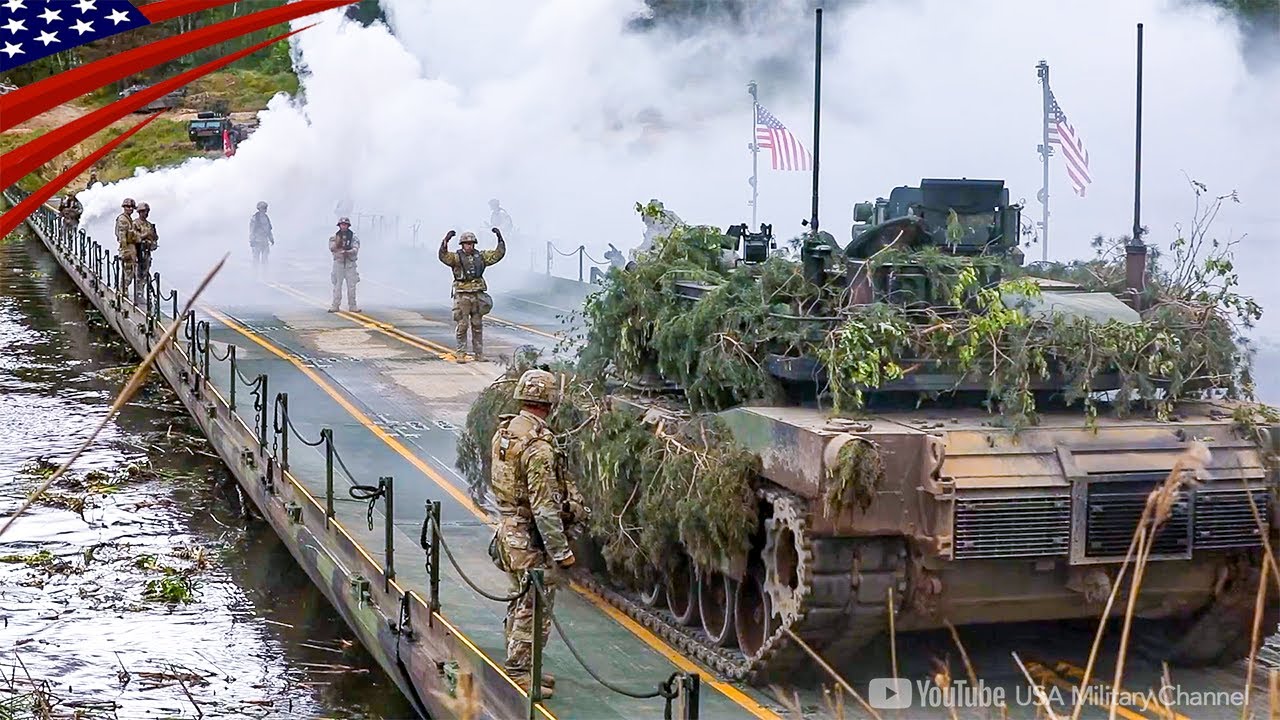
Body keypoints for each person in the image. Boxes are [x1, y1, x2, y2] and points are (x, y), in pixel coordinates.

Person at [489, 368, 588, 698]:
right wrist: (562, 552)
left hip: (508, 529)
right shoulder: (538, 447)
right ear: (548, 404)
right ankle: (519, 674)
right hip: (530, 537)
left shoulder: (506, 432)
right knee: (535, 605)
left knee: (519, 599)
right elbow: (544, 507)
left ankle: (524, 667)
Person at [438, 227, 505, 361]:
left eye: (471, 243)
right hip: (462, 294)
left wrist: (500, 240)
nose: (469, 246)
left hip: (477, 294)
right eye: (467, 243)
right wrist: (445, 242)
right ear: (462, 245)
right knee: (462, 325)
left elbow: (497, 255)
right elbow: (444, 257)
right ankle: (461, 353)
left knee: (477, 324)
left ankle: (478, 353)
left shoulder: (480, 256)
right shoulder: (456, 258)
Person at [328, 217, 361, 313]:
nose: (343, 226)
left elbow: (356, 249)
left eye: (345, 224)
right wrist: (338, 245)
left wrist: (348, 251)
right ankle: (335, 305)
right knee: (337, 285)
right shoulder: (334, 237)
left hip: (350, 263)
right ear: (339, 226)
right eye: (342, 224)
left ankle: (353, 306)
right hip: (339, 263)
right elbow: (331, 248)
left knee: (351, 286)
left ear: (348, 226)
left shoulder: (353, 237)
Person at [133, 202, 159, 304]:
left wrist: (152, 243)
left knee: (144, 273)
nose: (145, 213)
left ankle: (141, 293)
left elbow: (155, 238)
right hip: (137, 252)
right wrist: (145, 235)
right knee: (137, 273)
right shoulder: (135, 224)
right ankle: (137, 293)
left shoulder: (149, 225)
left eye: (147, 211)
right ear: (139, 212)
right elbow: (133, 238)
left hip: (147, 252)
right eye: (143, 211)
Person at [115, 198, 138, 301]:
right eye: (127, 207)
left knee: (129, 270)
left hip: (131, 247)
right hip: (127, 247)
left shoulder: (128, 219)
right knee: (128, 270)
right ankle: (123, 292)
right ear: (124, 207)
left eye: (131, 207)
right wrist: (125, 250)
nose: (130, 209)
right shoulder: (123, 219)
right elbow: (122, 236)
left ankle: (123, 291)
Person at [249, 201, 274, 271]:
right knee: (256, 259)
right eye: (263, 208)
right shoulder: (254, 218)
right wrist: (251, 240)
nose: (265, 209)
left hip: (265, 241)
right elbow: (251, 230)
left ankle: (265, 274)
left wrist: (271, 238)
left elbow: (269, 229)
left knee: (265, 259)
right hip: (257, 241)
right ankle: (255, 274)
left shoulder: (266, 218)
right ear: (259, 209)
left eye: (265, 208)